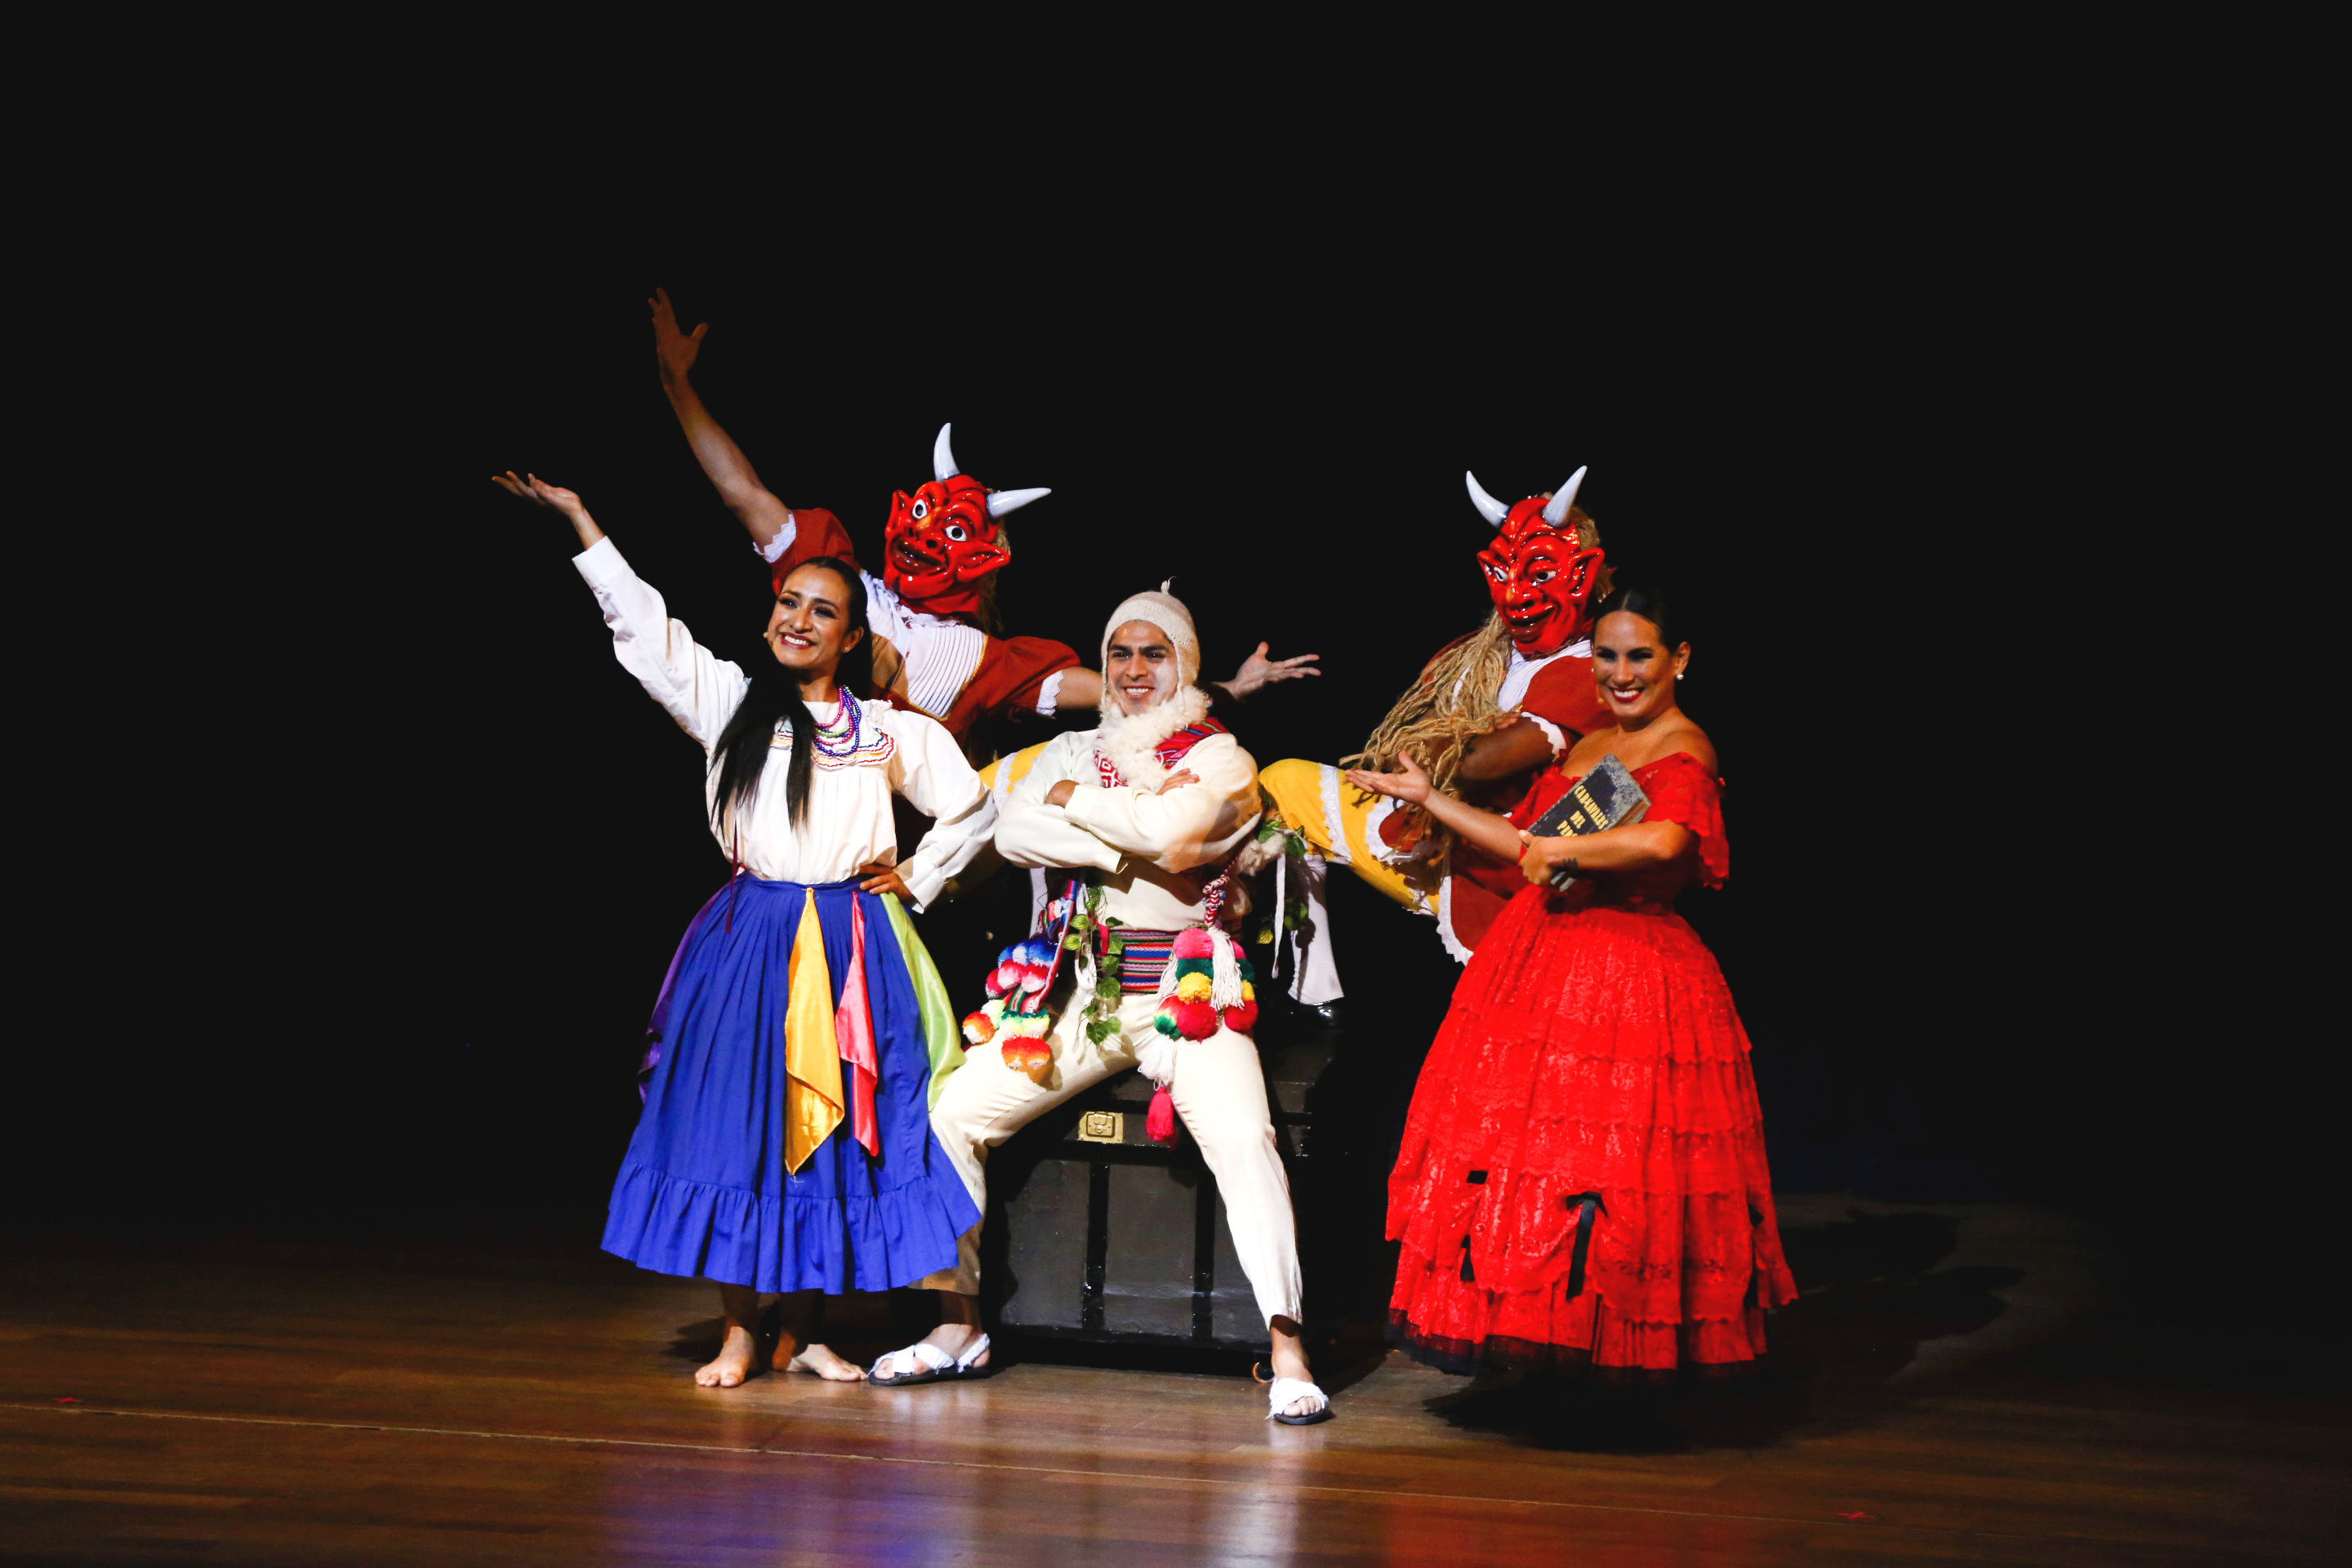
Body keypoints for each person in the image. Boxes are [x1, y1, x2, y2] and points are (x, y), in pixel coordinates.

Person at [495, 470, 996, 1388]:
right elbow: (647, 631)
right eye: (789, 603)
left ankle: (804, 1332)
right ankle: (739, 1335)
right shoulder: (732, 708)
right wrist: (582, 522)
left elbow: (974, 809)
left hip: (853, 948)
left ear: (852, 637)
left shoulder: (888, 734)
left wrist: (918, 874)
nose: (799, 621)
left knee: (838, 1138)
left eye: (823, 611)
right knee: (744, 1133)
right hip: (752, 945)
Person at [876, 585, 1332, 1423]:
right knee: (951, 1113)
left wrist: (1083, 816)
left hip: (1186, 990)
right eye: (1119, 653)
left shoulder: (1224, 757)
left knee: (1245, 1136)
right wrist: (1143, 834)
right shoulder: (1071, 748)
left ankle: (1289, 1350)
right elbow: (1016, 835)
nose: (1131, 670)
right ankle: (958, 1324)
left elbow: (1184, 830)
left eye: (1152, 653)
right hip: (1087, 984)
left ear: (1185, 665)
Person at [1345, 588, 1796, 1378]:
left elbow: (1664, 839)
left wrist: (1577, 856)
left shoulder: (1681, 745)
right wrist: (1432, 800)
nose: (1621, 674)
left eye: (1639, 656)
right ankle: (1539, 1342)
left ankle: (1610, 1357)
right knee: (1531, 1166)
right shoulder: (1588, 750)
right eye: (1607, 657)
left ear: (1678, 660)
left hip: (1626, 975)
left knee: (1608, 1175)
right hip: (1539, 964)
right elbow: (1529, 847)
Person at [648, 289, 1316, 761]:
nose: (927, 535)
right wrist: (679, 385)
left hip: (891, 862)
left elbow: (1133, 689)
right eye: (925, 515)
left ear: (989, 554)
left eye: (956, 530)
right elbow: (743, 492)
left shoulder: (996, 666)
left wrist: (1233, 687)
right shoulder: (837, 581)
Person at [1254, 466, 1613, 1003]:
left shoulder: (1592, 671)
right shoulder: (1476, 655)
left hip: (1511, 868)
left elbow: (1479, 763)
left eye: (1539, 574)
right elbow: (1416, 740)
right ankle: (1311, 989)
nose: (1516, 594)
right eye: (1505, 571)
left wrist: (1451, 744)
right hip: (1429, 827)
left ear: (1581, 575)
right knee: (1279, 785)